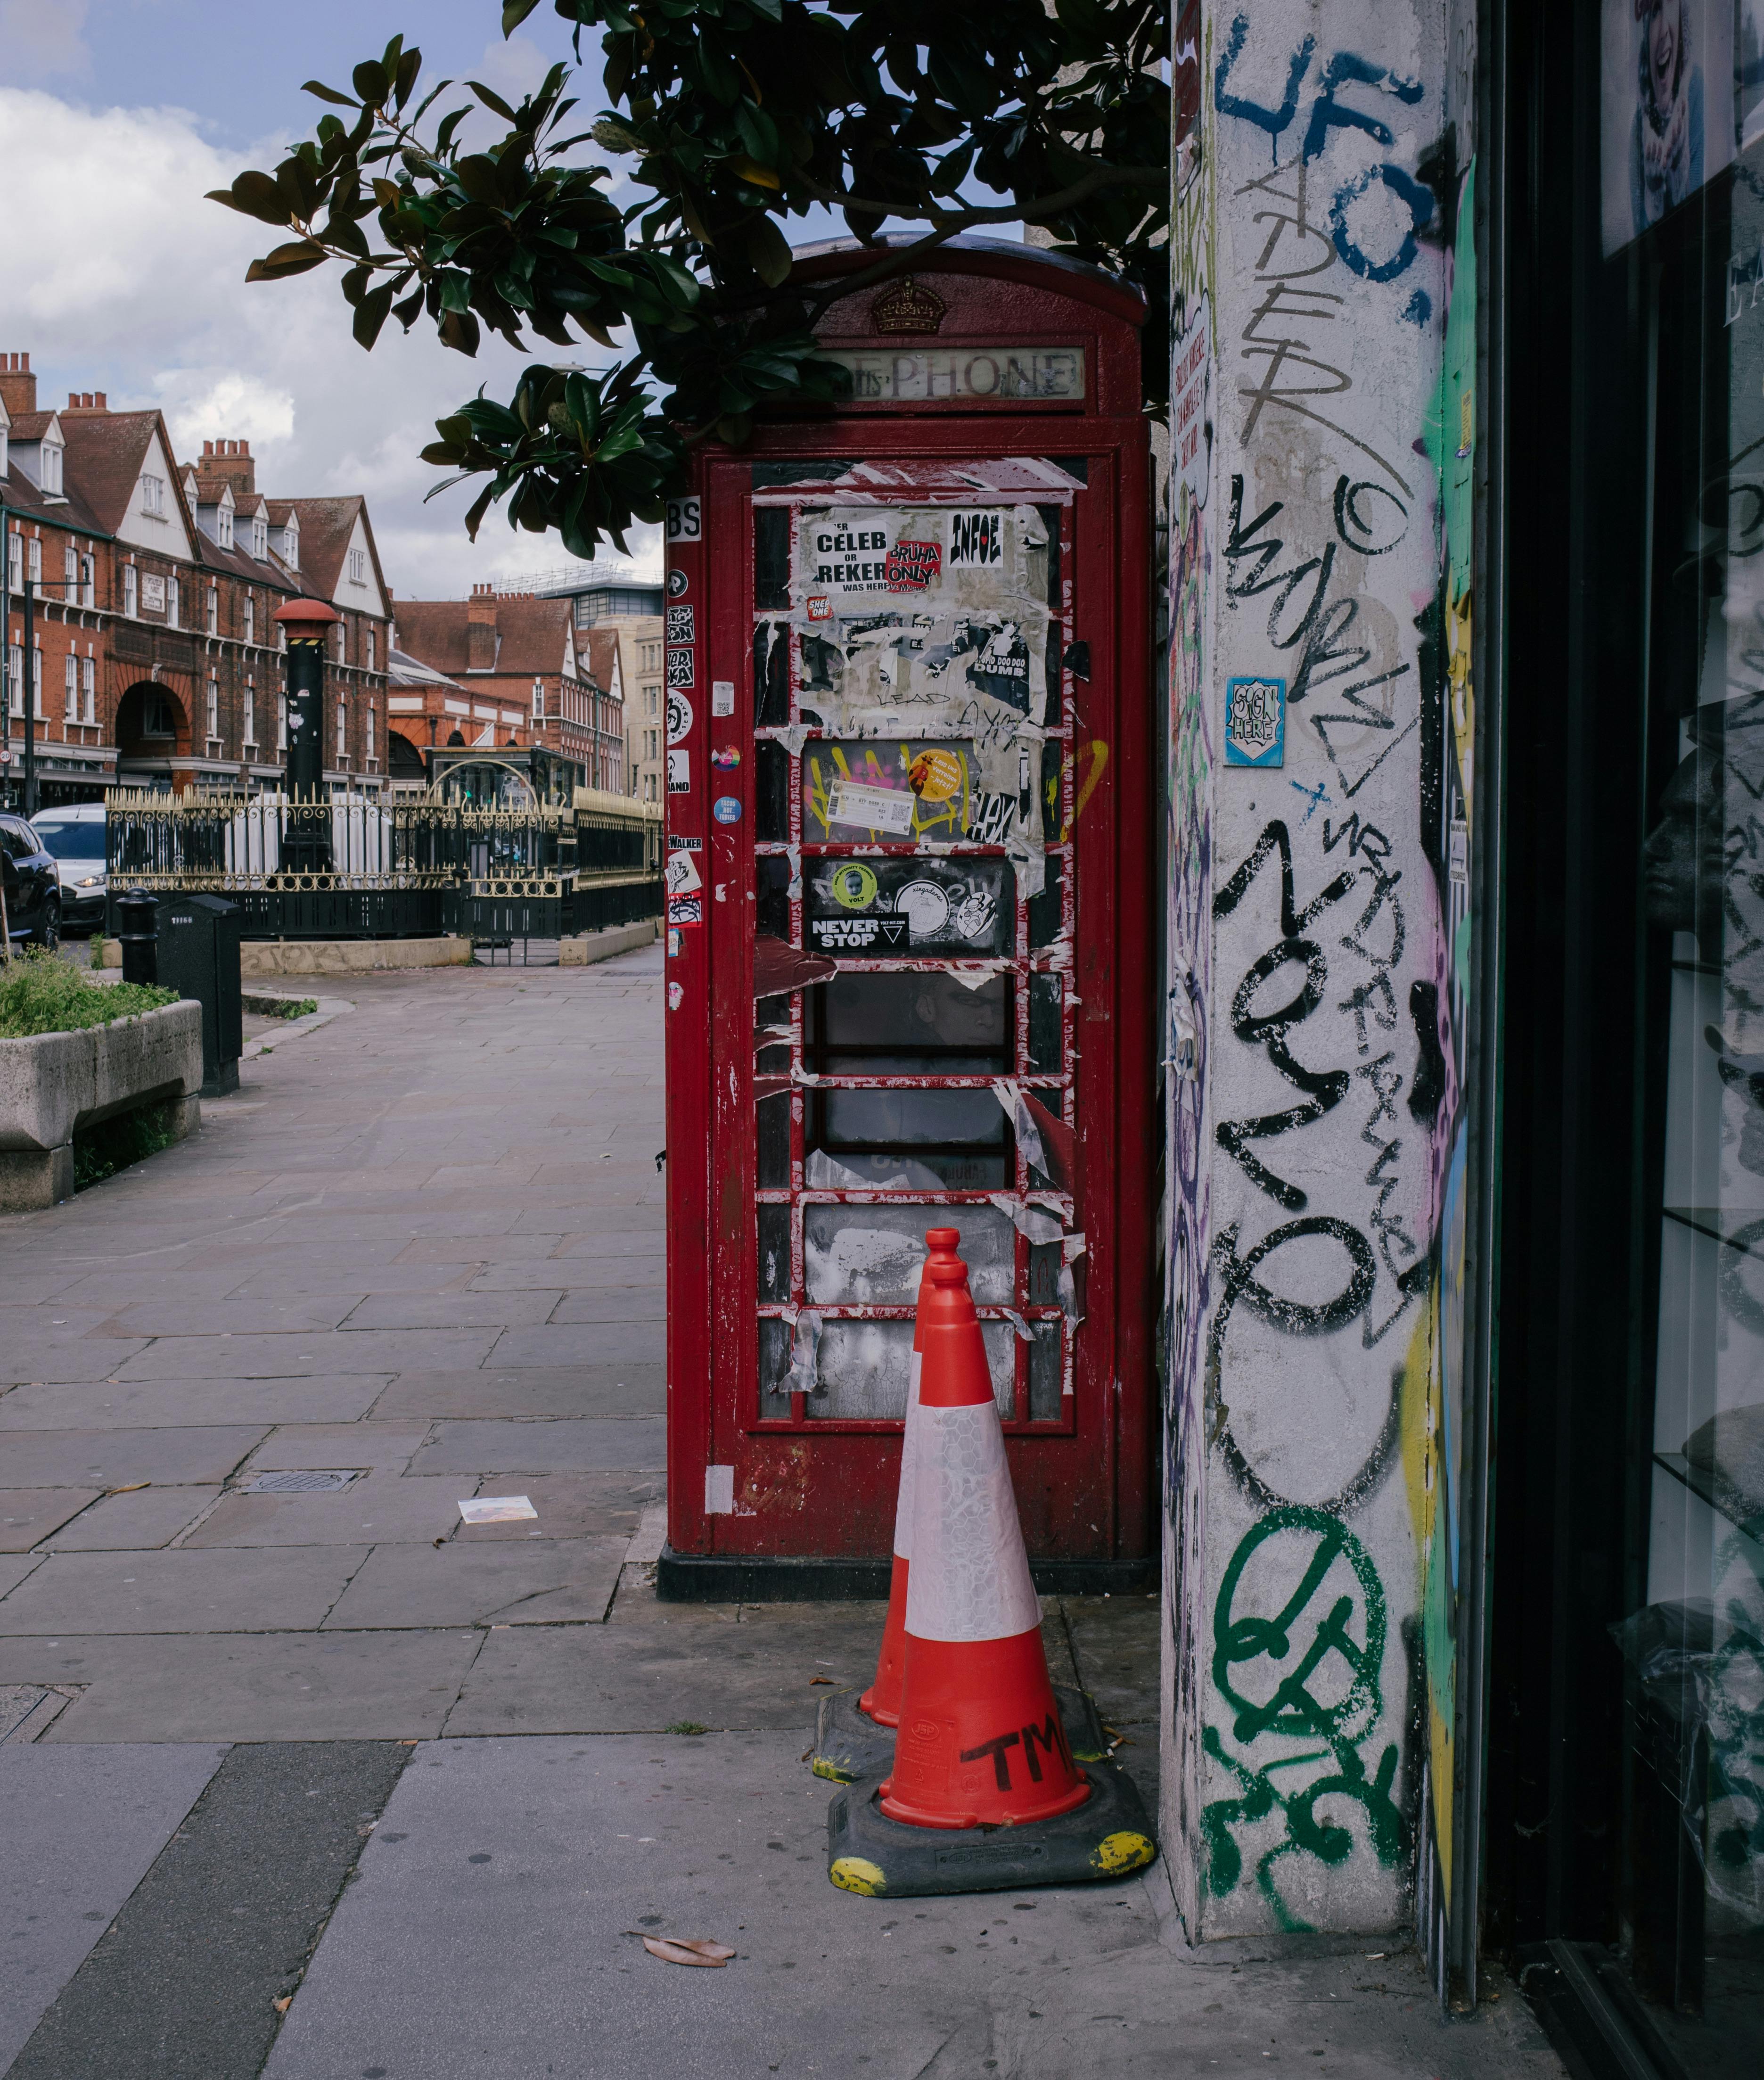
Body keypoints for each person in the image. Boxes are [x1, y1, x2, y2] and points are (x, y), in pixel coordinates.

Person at [1630, 0, 1705, 234]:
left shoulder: (1695, 89)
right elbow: (1644, 257)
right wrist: (1654, 192)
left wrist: (1678, 177)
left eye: (1669, 4)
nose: (1662, 31)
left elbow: (1702, 228)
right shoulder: (1638, 133)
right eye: (1653, 14)